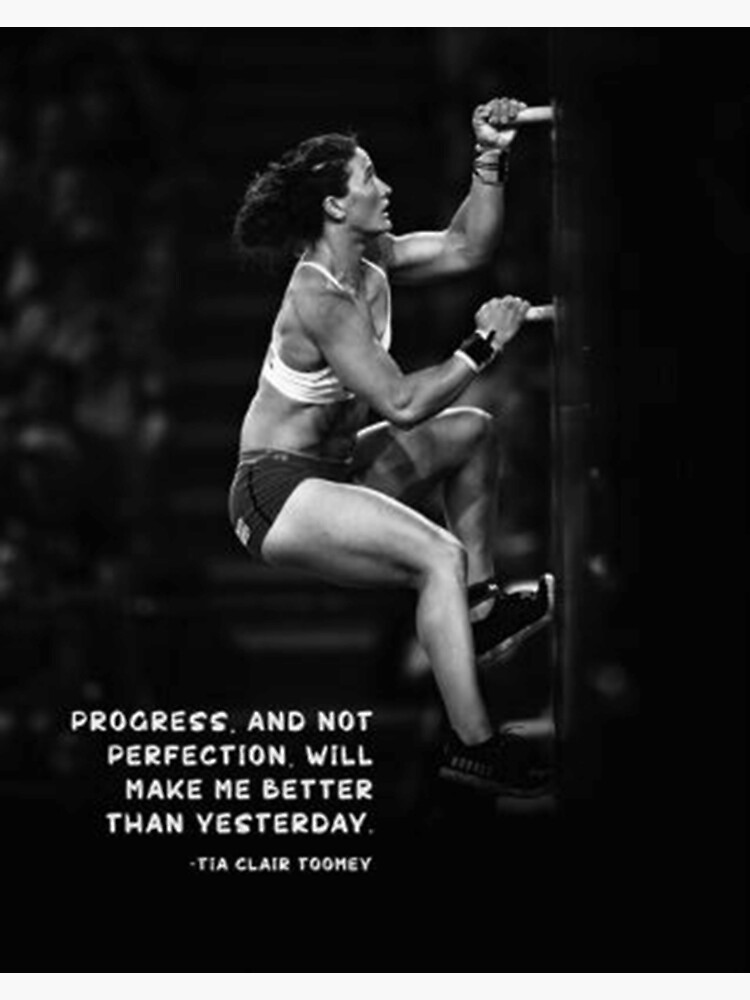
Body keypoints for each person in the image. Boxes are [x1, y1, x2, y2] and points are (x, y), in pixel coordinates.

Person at [229, 97, 553, 795]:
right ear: (334, 206)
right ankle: (474, 746)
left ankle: (482, 611)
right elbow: (402, 404)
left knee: (472, 432)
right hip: (276, 492)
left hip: (334, 468)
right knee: (437, 555)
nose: (386, 188)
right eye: (369, 177)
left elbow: (467, 247)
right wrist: (484, 343)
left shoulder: (371, 257)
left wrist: (490, 156)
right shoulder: (318, 297)